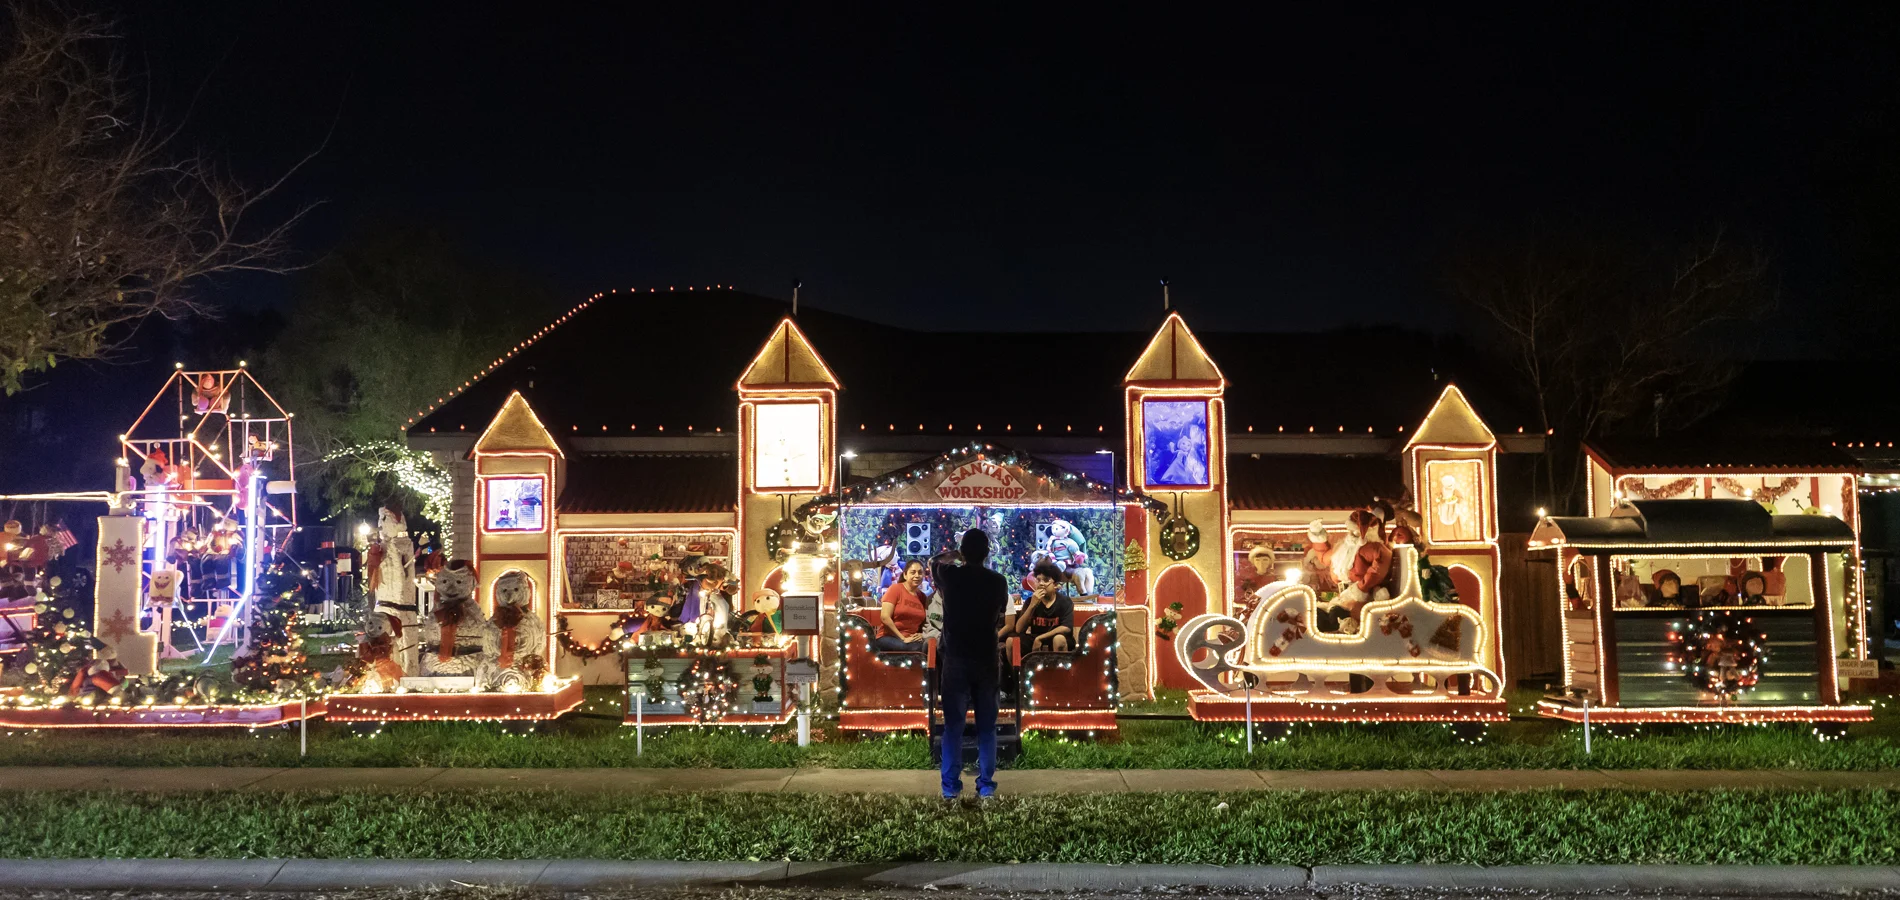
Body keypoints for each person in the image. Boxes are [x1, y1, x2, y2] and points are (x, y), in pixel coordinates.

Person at [930, 529, 1008, 803]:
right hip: (986, 658)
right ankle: (985, 786)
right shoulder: (998, 581)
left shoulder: (950, 576)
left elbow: (934, 562)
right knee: (987, 727)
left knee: (953, 726)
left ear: (963, 552)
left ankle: (950, 787)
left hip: (956, 659)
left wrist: (953, 555)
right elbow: (1000, 616)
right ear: (987, 553)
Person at [1010, 560, 1074, 653]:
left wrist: (1040, 638)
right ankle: (1020, 664)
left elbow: (1066, 627)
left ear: (1055, 584)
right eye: (1038, 580)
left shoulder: (1065, 602)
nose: (1041, 583)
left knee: (1059, 639)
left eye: (1046, 580)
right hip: (1035, 636)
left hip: (1055, 637)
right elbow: (1019, 629)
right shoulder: (1030, 601)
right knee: (1011, 641)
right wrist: (1032, 605)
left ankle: (1058, 663)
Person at [876, 559, 929, 652]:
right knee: (917, 648)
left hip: (911, 639)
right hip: (889, 637)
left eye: (920, 573)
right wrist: (903, 638)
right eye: (913, 572)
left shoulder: (922, 597)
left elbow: (925, 622)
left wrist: (922, 634)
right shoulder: (895, 589)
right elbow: (885, 617)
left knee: (931, 646)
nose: (917, 575)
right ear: (905, 575)